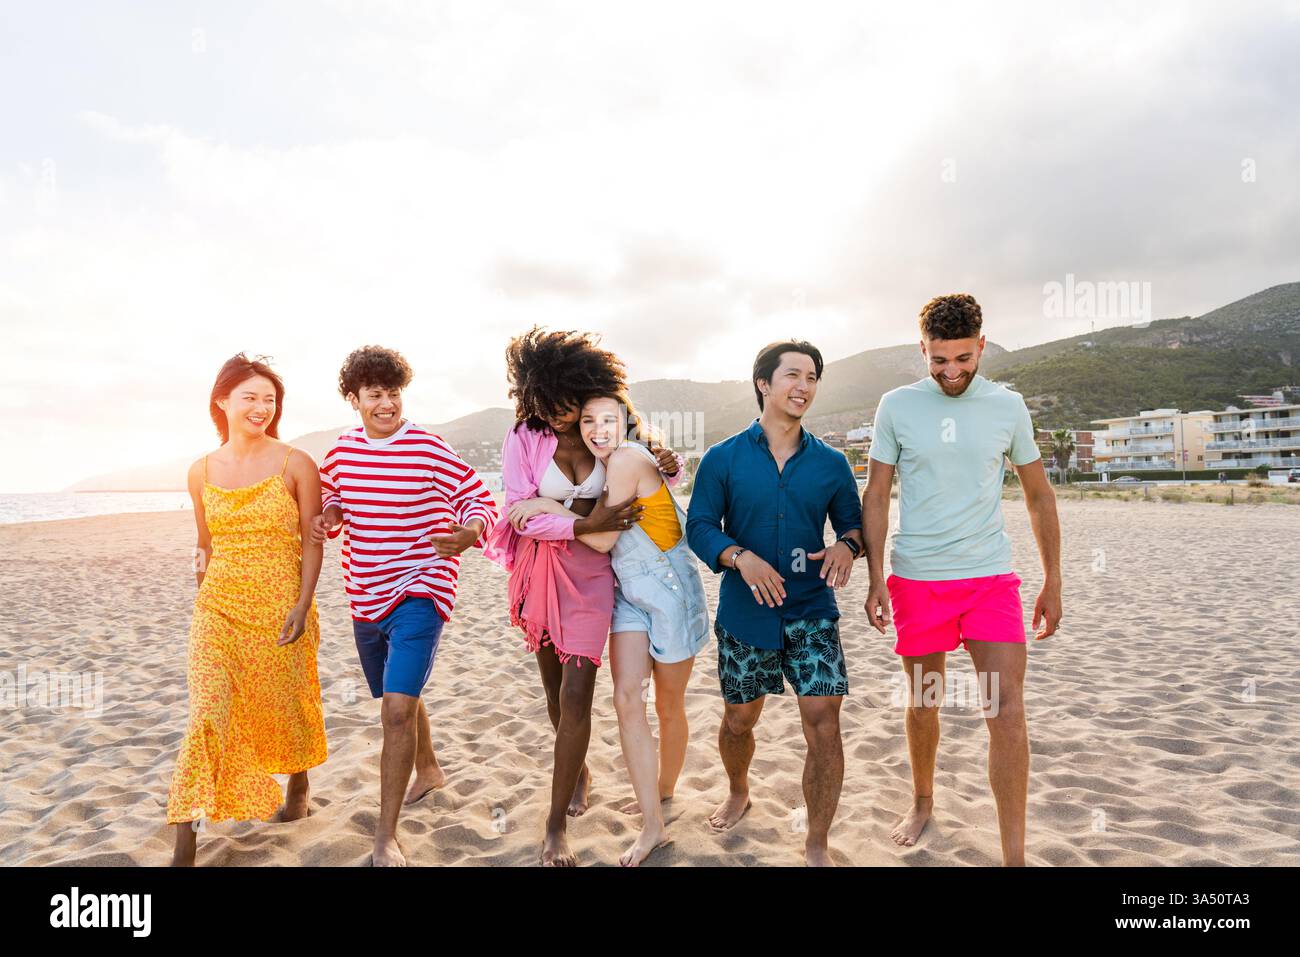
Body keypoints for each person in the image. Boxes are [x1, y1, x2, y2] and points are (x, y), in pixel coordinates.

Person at [861, 293, 1062, 867]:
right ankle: (923, 800)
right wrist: (876, 578)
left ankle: (1014, 856)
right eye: (939, 360)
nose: (952, 373)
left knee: (1006, 711)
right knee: (925, 701)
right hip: (918, 579)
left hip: (989, 579)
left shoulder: (1009, 406)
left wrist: (1053, 579)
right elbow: (876, 494)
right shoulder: (896, 405)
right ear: (922, 350)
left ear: (982, 344)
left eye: (964, 359)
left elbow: (1037, 493)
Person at [483, 327, 684, 867]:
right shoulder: (523, 436)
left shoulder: (607, 424)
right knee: (554, 693)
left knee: (576, 696)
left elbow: (653, 465)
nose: (554, 413)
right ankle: (579, 771)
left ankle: (554, 830)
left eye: (564, 403)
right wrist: (578, 523)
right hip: (542, 569)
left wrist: (670, 463)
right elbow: (519, 509)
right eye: (543, 402)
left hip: (597, 572)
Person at [310, 345, 497, 867]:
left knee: (395, 711)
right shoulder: (342, 450)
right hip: (365, 594)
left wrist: (470, 531)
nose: (387, 403)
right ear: (355, 399)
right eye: (375, 394)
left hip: (423, 586)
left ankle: (385, 837)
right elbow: (332, 496)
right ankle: (430, 769)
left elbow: (477, 497)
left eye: (393, 392)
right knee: (399, 697)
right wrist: (329, 515)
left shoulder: (427, 446)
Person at [508, 393, 708, 866]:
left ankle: (662, 792)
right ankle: (652, 826)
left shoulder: (625, 460)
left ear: (627, 424)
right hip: (625, 591)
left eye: (608, 420)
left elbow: (599, 537)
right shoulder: (611, 460)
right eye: (590, 420)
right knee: (625, 700)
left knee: (669, 703)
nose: (597, 430)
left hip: (669, 589)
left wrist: (545, 503)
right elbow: (600, 529)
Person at [686, 340, 864, 867]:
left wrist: (846, 547)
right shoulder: (722, 458)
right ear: (764, 383)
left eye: (811, 377)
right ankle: (739, 789)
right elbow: (698, 527)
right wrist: (739, 557)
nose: (803, 386)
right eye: (792, 375)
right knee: (740, 721)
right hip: (746, 615)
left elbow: (853, 526)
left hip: (812, 611)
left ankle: (816, 843)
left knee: (824, 722)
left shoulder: (832, 463)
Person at [168, 353, 327, 866]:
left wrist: (303, 603)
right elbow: (204, 543)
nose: (261, 408)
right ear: (222, 401)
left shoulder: (295, 462)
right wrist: (202, 595)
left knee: (286, 698)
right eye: (250, 397)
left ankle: (298, 782)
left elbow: (313, 541)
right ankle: (185, 840)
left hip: (282, 603)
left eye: (269, 400)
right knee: (207, 714)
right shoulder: (200, 470)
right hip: (217, 608)